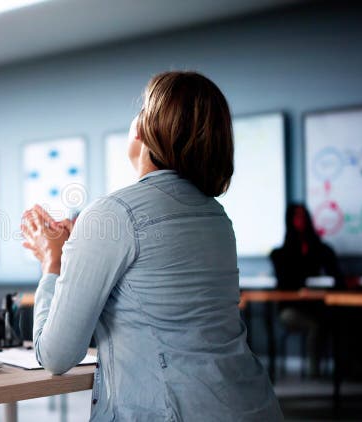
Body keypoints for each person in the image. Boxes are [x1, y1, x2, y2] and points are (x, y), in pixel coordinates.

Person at [21, 71, 281, 421]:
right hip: (252, 405)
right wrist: (78, 248)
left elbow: (55, 356)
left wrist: (53, 262)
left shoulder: (112, 214)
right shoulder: (216, 218)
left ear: (143, 129)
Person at [270, 204, 343, 377]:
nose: (301, 221)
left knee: (338, 318)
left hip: (315, 305)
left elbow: (335, 273)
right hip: (291, 308)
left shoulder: (318, 248)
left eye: (303, 216)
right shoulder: (282, 253)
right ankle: (314, 372)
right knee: (316, 325)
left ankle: (343, 369)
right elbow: (286, 282)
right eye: (297, 217)